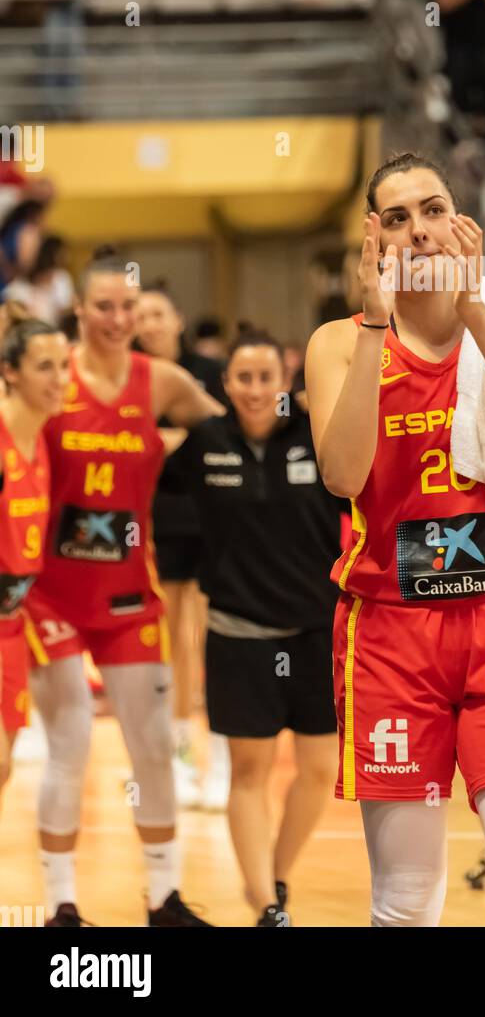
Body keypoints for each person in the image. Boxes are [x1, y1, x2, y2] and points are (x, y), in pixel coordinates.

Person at [305, 150, 485, 927]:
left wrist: (474, 309)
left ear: (463, 223)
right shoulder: (338, 342)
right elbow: (343, 476)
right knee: (405, 899)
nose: (418, 231)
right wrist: (372, 321)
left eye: (432, 210)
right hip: (391, 635)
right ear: (375, 238)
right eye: (397, 218)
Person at [24, 247, 225, 927]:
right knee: (70, 741)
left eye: (126, 308)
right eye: (102, 306)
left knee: (152, 745)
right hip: (51, 596)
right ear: (80, 311)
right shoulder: (51, 382)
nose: (115, 319)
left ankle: (164, 898)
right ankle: (60, 905)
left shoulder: (162, 381)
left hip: (129, 595)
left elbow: (230, 425)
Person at [172, 329, 342, 926]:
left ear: (286, 381)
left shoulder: (315, 439)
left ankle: (277, 876)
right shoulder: (204, 443)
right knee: (250, 774)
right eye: (242, 378)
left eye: (265, 378)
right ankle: (265, 906)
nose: (254, 389)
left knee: (320, 769)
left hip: (318, 632)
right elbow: (154, 489)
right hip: (238, 636)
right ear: (225, 385)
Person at [134, 282, 227, 811]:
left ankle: (216, 750)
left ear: (176, 320)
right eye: (140, 315)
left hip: (209, 518)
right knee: (170, 637)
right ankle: (177, 748)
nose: (149, 323)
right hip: (158, 520)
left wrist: (171, 441)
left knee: (210, 632)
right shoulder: (131, 379)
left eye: (157, 314)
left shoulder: (206, 372)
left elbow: (219, 431)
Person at [0, 311, 70, 816]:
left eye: (65, 365)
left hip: (12, 625)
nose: (60, 378)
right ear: (10, 371)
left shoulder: (43, 438)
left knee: (4, 766)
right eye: (45, 367)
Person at [4, 235, 75, 328]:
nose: (67, 257)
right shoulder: (19, 287)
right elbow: (11, 306)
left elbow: (67, 309)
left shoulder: (61, 278)